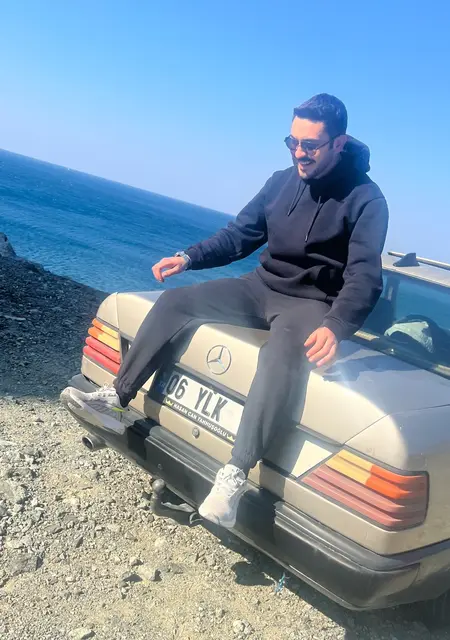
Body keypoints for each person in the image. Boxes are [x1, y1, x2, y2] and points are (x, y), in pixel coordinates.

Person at [62, 93, 389, 529]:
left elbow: (365, 275)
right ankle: (116, 400)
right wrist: (189, 257)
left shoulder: (366, 199)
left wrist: (337, 324)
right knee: (175, 302)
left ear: (339, 143)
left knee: (280, 354)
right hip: (261, 286)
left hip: (311, 303)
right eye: (292, 142)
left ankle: (234, 474)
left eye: (310, 145)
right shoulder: (281, 181)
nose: (298, 153)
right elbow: (240, 235)